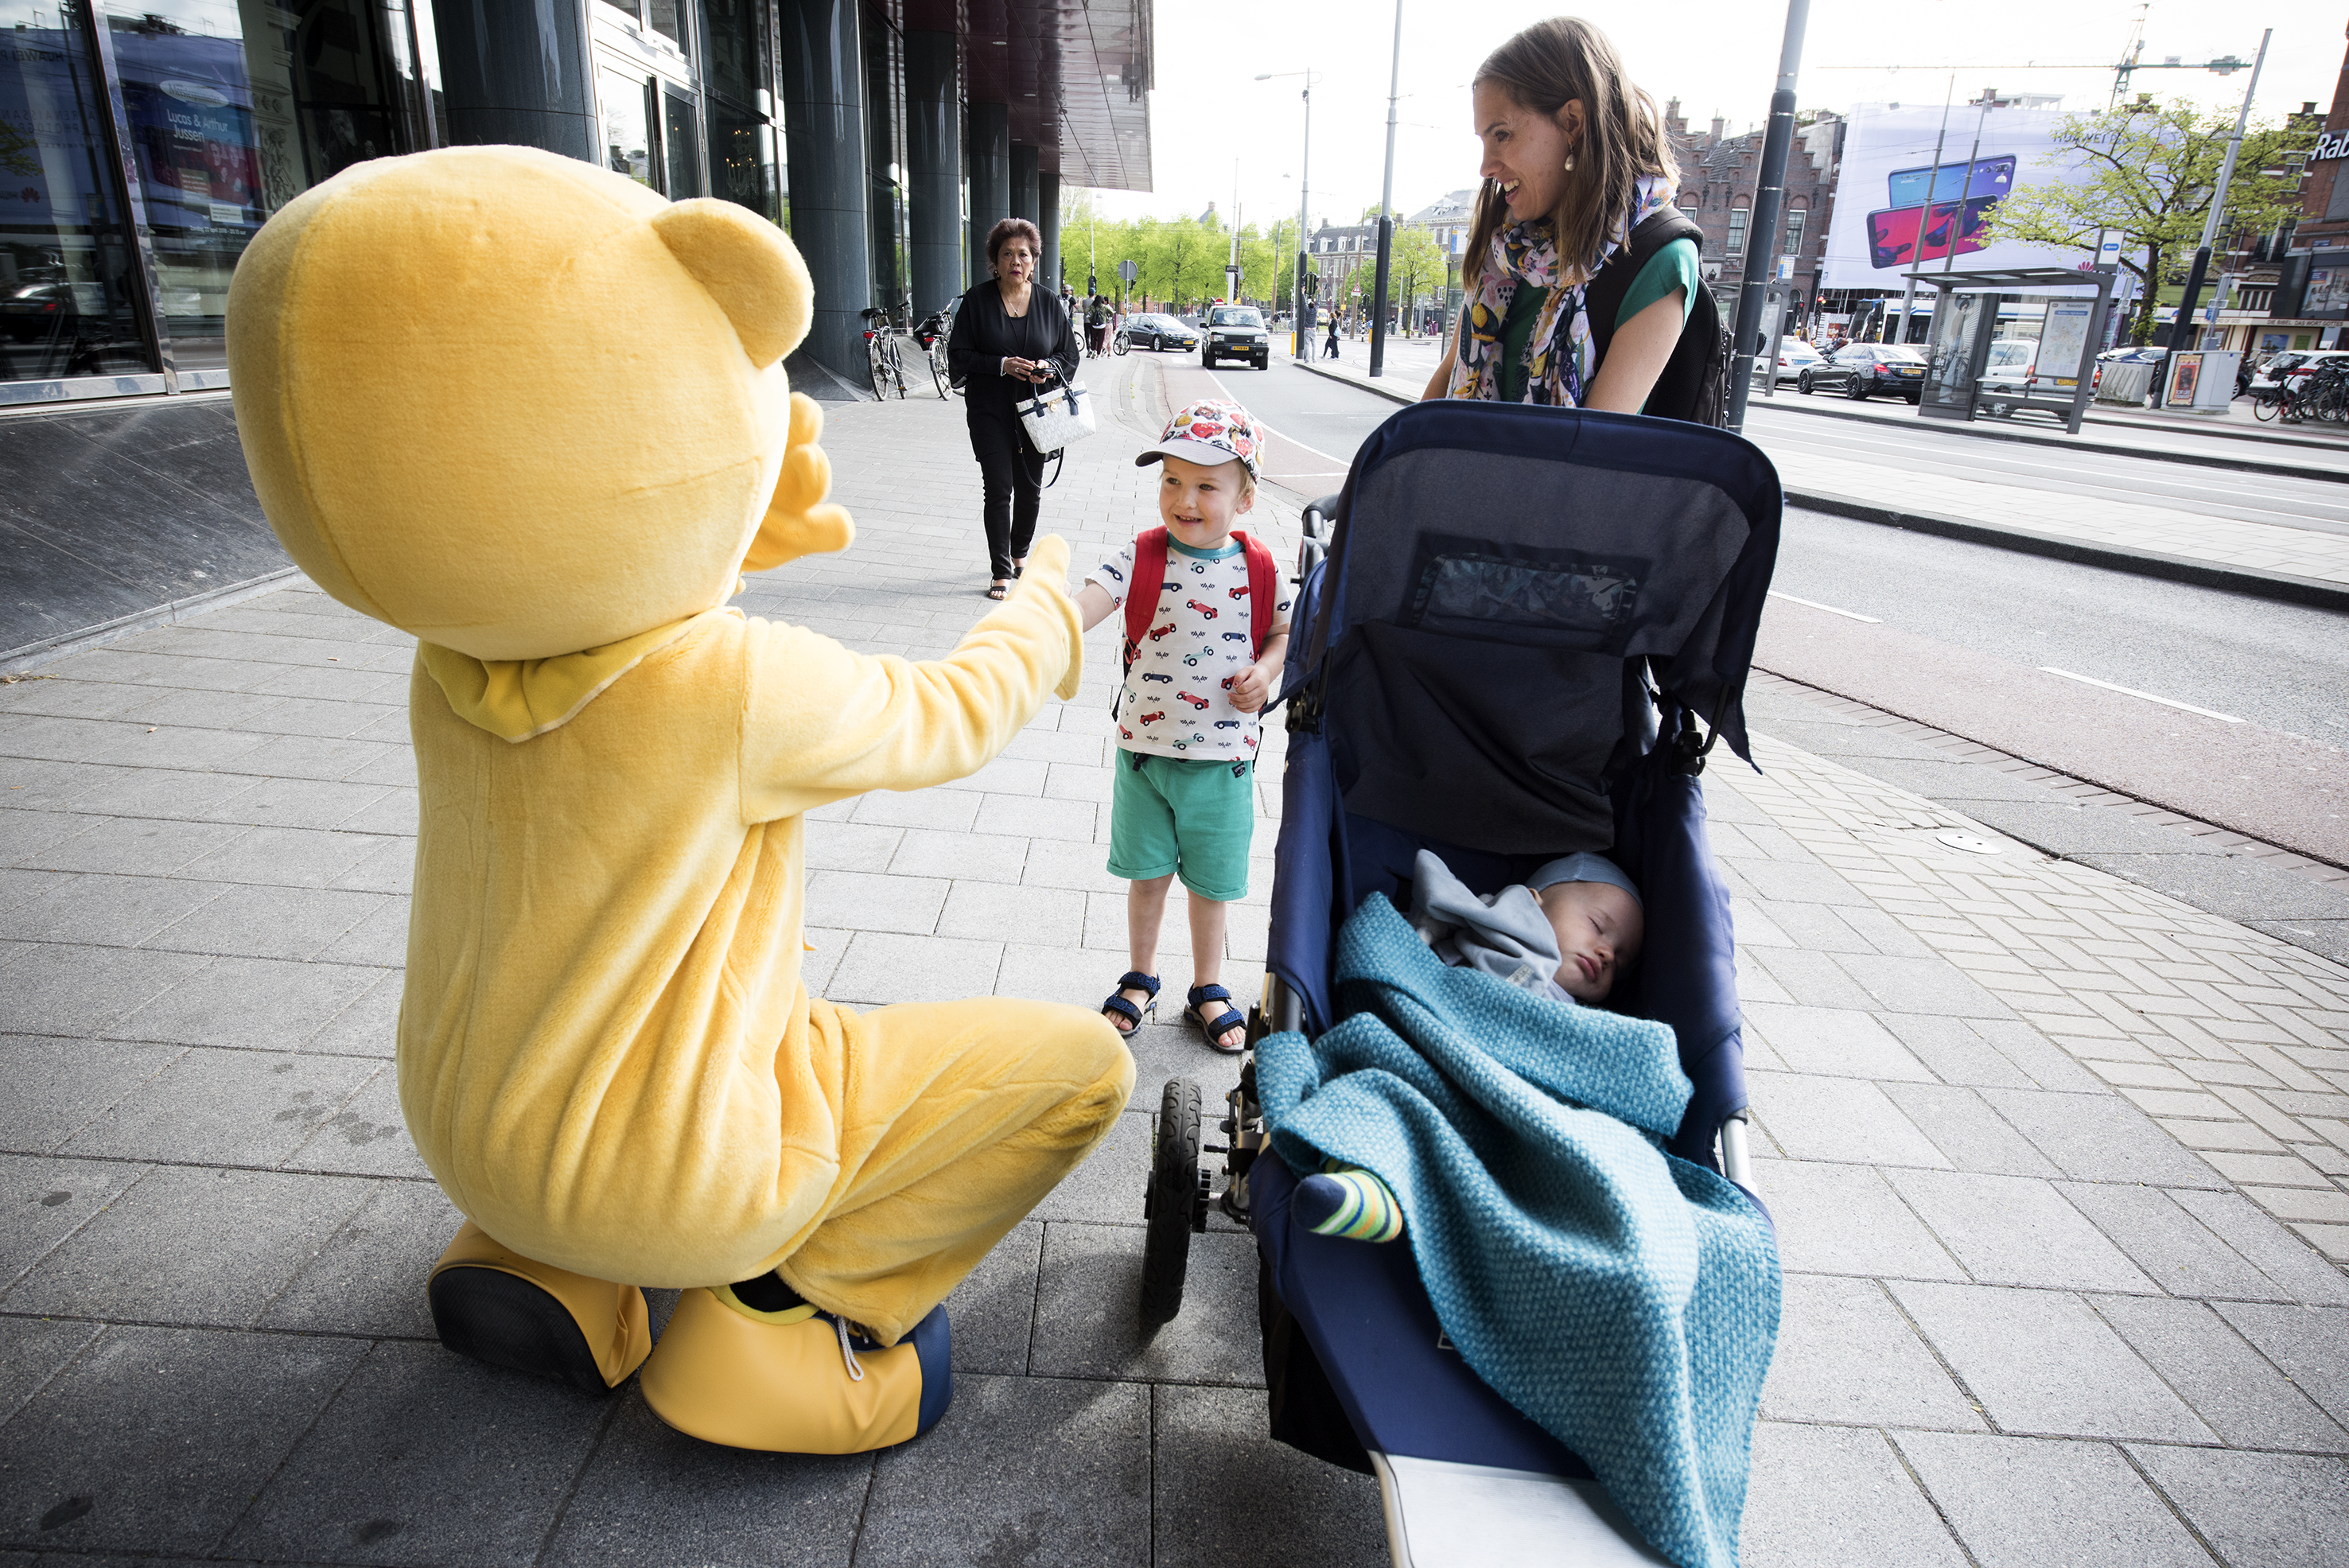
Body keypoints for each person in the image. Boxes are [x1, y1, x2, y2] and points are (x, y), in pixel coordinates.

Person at [1076, 400, 1290, 1055]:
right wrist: (1036, 633)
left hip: (1223, 761)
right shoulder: (1138, 555)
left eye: (1206, 484)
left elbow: (1286, 632)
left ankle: (1209, 986)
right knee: (1146, 877)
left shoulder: (1260, 569)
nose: (1184, 498)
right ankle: (1140, 974)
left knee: (1210, 883)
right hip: (1143, 757)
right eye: (1172, 479)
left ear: (1245, 497)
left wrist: (1268, 669)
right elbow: (1083, 604)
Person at [1420, 17, 1695, 413]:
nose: (1486, 167)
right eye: (1484, 141)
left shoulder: (1659, 260)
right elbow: (1449, 376)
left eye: (1502, 135)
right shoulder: (1506, 248)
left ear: (1573, 122)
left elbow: (1589, 449)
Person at [948, 218, 1079, 600]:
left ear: (1034, 260)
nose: (1015, 261)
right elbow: (958, 355)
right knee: (999, 489)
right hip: (990, 409)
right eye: (1007, 254)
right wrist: (1000, 364)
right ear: (995, 260)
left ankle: (1020, 552)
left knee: (1031, 489)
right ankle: (1001, 569)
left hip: (1036, 410)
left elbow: (1068, 354)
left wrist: (1047, 369)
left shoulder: (1048, 303)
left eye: (1023, 254)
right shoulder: (976, 300)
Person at [1087, 292, 1111, 356]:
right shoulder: (1104, 307)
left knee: (1094, 338)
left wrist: (1090, 317)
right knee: (1100, 340)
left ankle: (1094, 350)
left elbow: (1086, 311)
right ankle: (1098, 355)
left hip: (1094, 325)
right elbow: (1111, 312)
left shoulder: (1092, 306)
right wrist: (1108, 318)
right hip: (1102, 325)